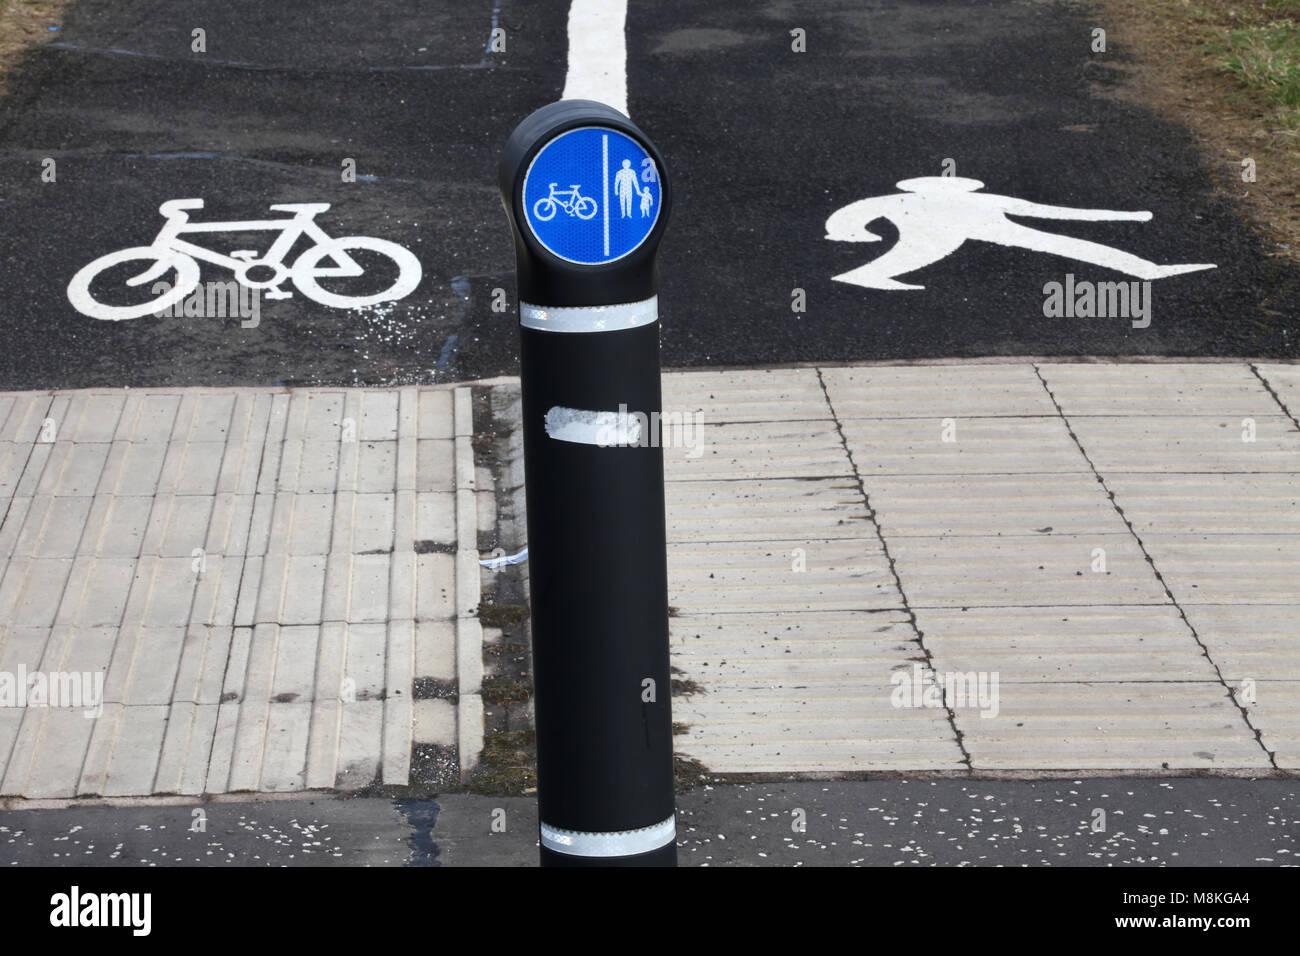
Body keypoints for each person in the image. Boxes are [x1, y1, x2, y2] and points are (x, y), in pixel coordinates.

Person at [825, 176, 1216, 290]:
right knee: (911, 255)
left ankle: (1148, 269)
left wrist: (1125, 216)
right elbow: (852, 214)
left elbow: (1055, 214)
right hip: (939, 231)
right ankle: (863, 275)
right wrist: (851, 235)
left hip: (991, 226)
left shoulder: (989, 200)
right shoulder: (894, 202)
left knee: (1066, 244)